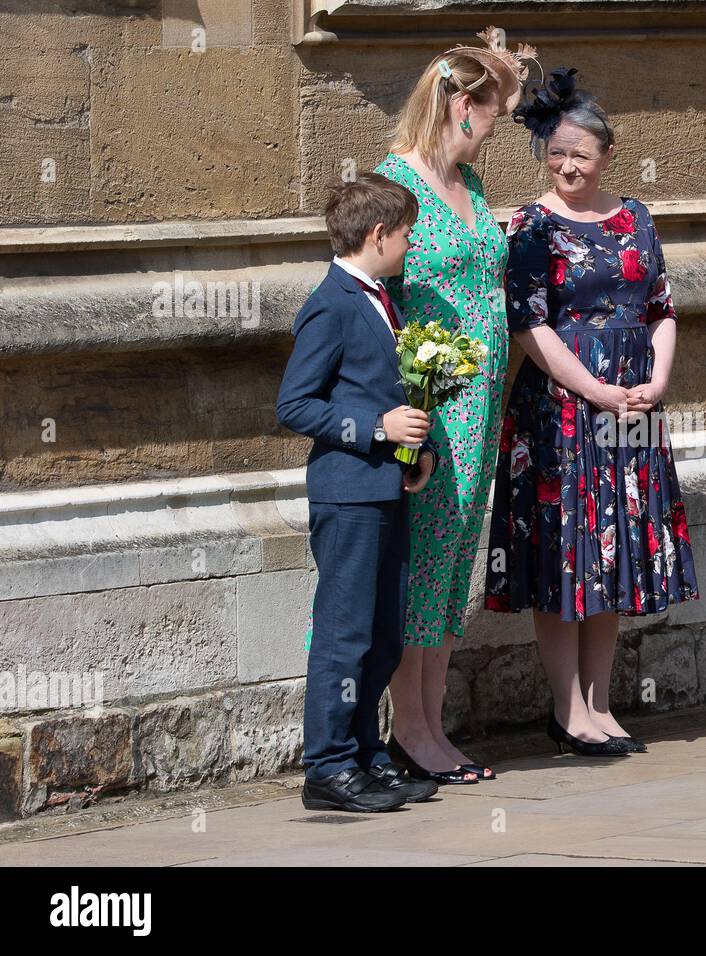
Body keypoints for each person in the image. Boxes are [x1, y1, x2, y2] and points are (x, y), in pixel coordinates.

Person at [485, 68, 700, 757]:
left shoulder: (636, 216)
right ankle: (566, 707)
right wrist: (595, 390)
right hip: (561, 409)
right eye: (556, 154)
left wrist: (655, 379)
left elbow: (661, 307)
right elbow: (529, 323)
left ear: (607, 155)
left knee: (612, 554)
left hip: (633, 405)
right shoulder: (532, 222)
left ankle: (602, 703)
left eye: (581, 154)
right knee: (563, 554)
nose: (569, 165)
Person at [376, 28, 540, 787]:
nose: (500, 125)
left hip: (482, 409)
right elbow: (370, 303)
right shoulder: (393, 186)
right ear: (461, 104)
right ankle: (407, 728)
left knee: (450, 572)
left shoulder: (471, 188)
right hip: (429, 409)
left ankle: (430, 722)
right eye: (495, 111)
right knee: (421, 568)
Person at [276, 172, 440, 811]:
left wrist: (412, 452)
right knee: (345, 633)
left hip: (385, 488)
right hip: (346, 496)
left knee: (384, 632)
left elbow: (381, 390)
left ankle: (368, 755)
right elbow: (295, 404)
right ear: (378, 234)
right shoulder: (333, 302)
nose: (410, 248)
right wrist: (376, 430)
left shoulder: (380, 297)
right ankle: (328, 767)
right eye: (405, 236)